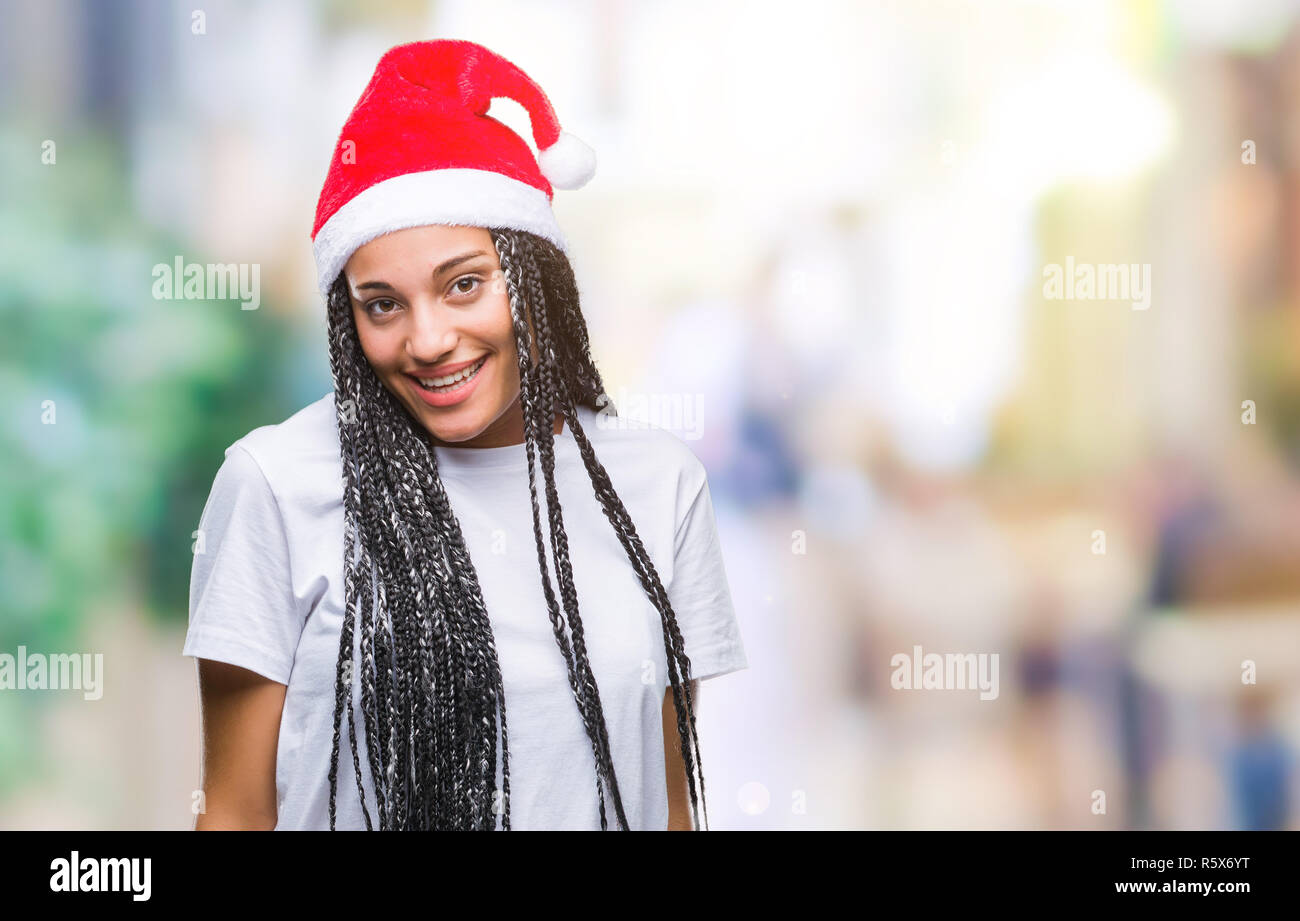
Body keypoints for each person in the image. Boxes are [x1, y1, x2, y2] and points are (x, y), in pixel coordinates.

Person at [183, 39, 748, 831]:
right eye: (382, 303)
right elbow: (236, 814)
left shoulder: (659, 484)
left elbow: (669, 807)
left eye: (464, 284)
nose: (428, 339)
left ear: (536, 276)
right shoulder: (274, 484)